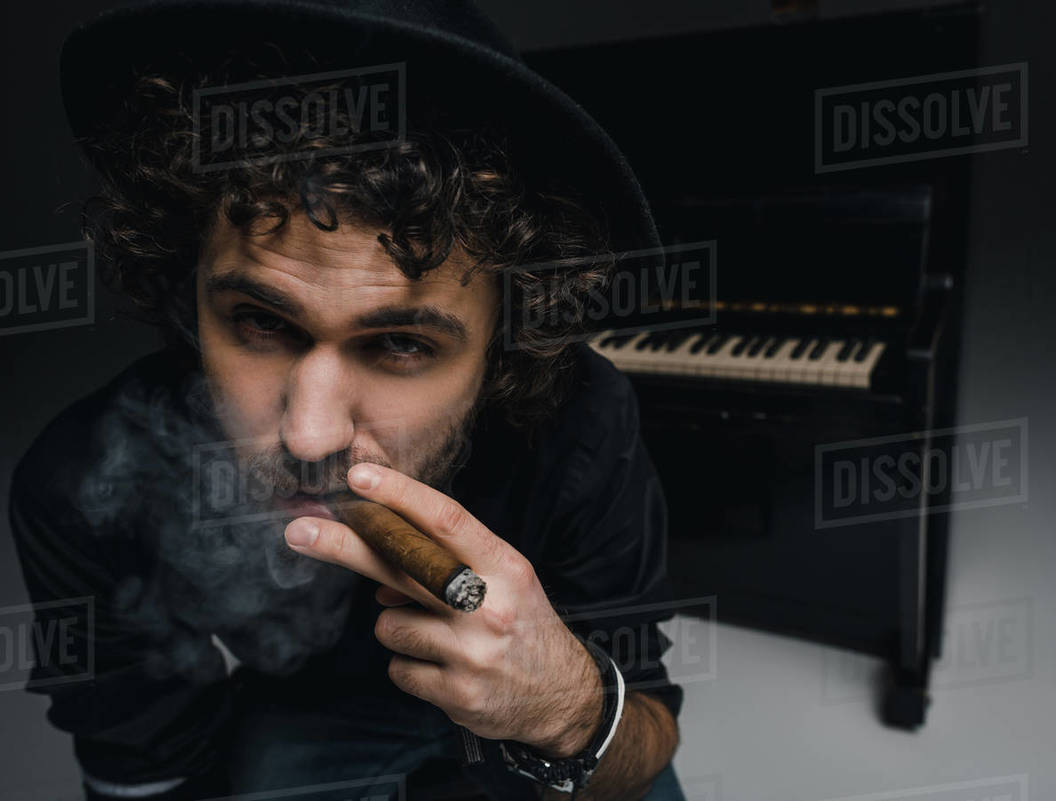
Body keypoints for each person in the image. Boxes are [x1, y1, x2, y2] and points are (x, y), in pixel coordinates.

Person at [9, 1, 685, 799]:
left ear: (504, 342)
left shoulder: (582, 421)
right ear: (185, 288)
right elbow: (148, 777)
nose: (310, 434)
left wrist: (568, 709)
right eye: (261, 321)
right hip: (304, 721)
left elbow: (643, 722)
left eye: (401, 343)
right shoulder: (80, 489)